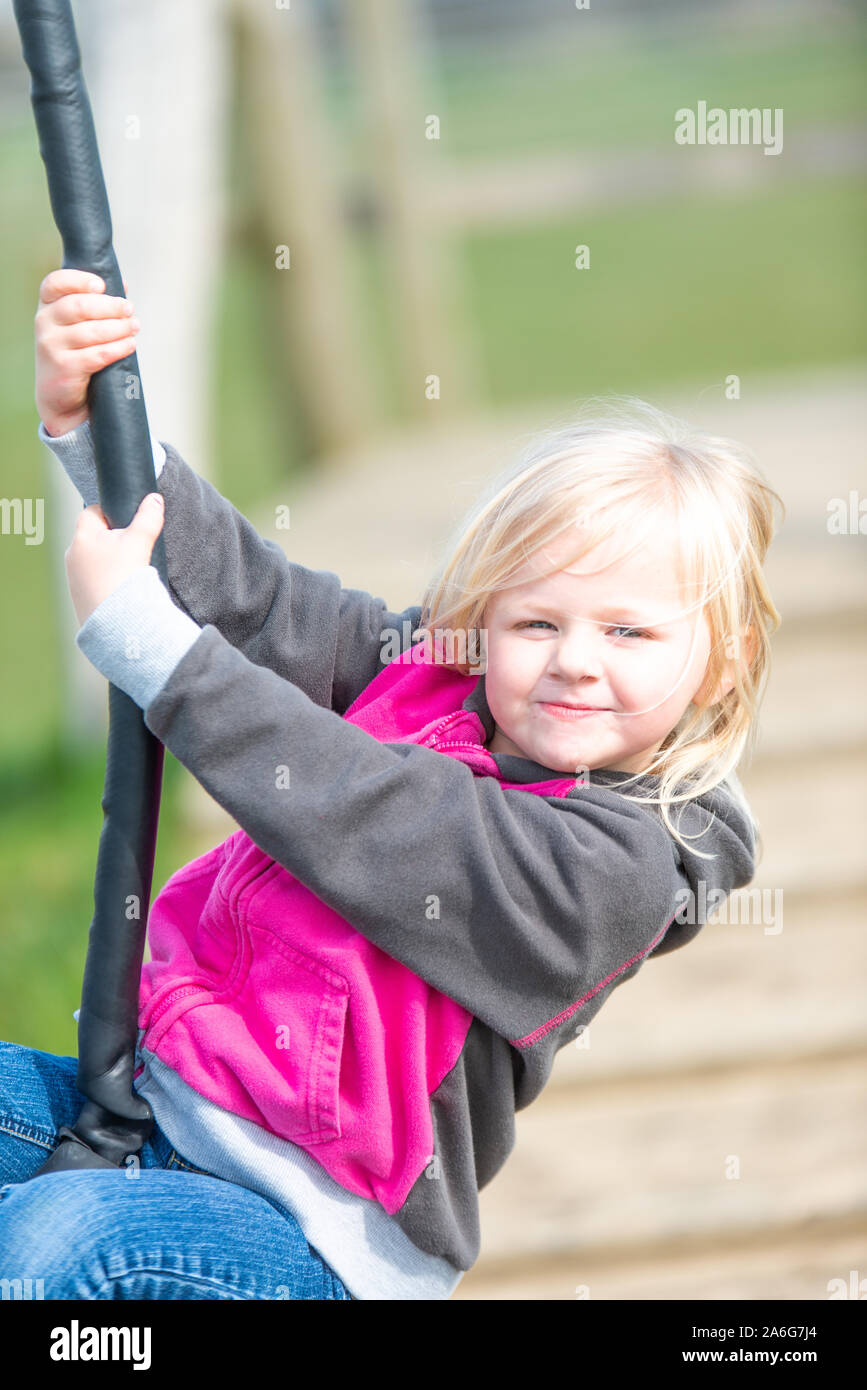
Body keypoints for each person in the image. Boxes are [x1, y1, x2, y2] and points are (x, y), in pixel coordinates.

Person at [0, 268, 782, 1301]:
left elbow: (383, 819)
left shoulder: (619, 871)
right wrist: (103, 435)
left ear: (720, 663)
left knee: (55, 1245)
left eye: (630, 632)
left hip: (309, 1234)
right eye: (537, 622)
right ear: (483, 620)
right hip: (154, 1104)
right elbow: (264, 606)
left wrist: (155, 654)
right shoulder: (428, 679)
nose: (575, 661)